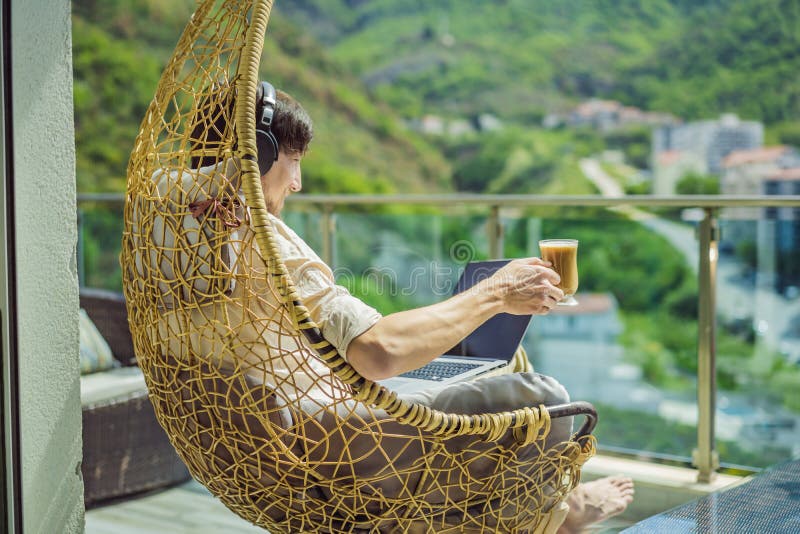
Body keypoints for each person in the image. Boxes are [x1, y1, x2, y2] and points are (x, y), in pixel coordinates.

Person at [183, 81, 634, 533]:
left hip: (251, 455)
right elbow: (380, 352)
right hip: (336, 445)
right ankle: (563, 514)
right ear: (256, 153)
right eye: (294, 161)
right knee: (545, 397)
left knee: (491, 364)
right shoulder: (261, 238)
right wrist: (495, 292)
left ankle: (556, 506)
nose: (298, 183)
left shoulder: (165, 231)